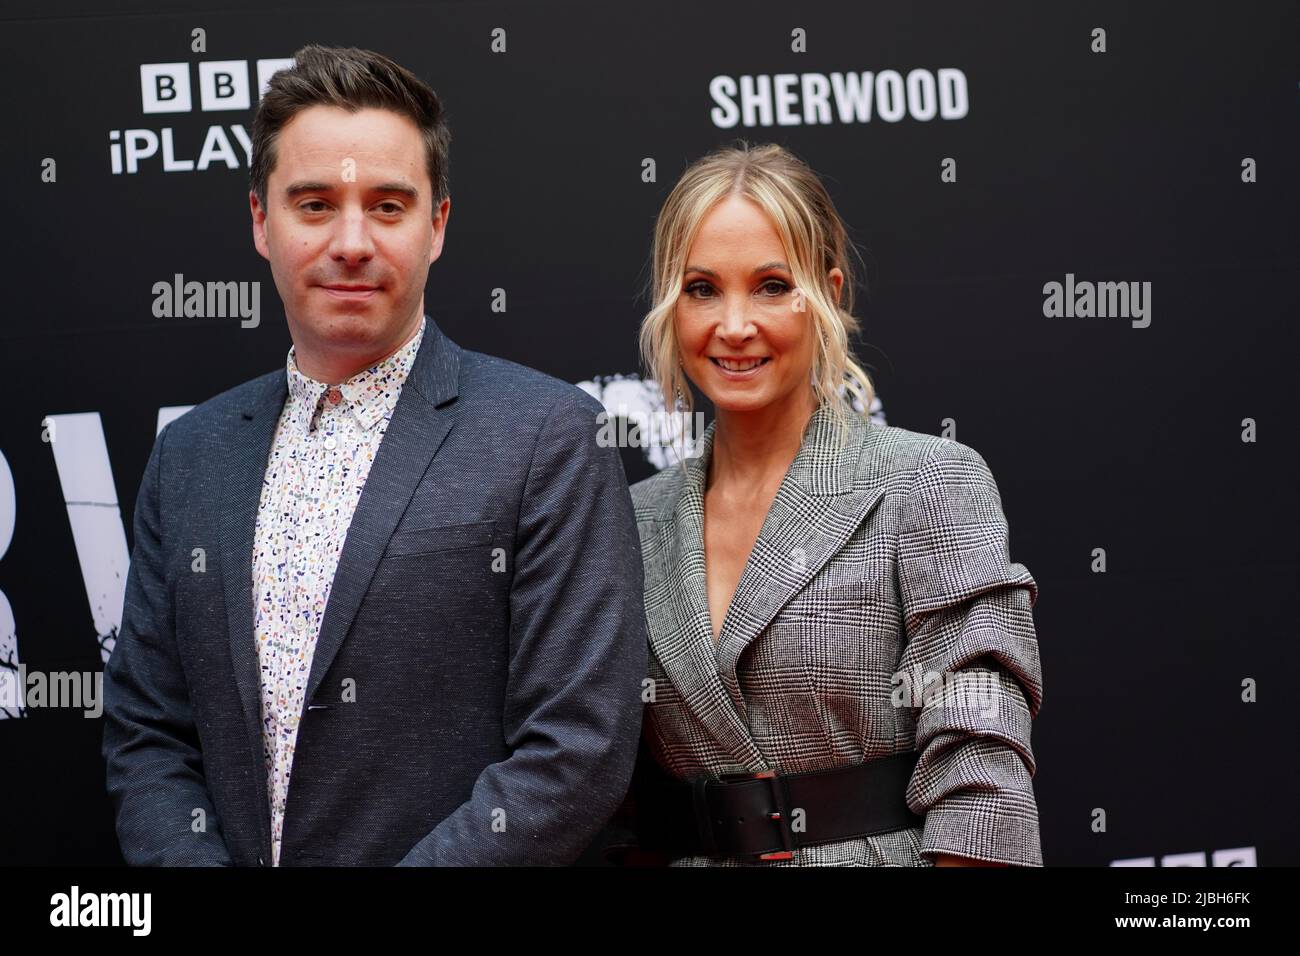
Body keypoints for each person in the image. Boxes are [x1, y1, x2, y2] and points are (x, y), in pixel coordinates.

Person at [101, 44, 647, 866]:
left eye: (388, 206)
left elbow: (575, 751)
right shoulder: (190, 456)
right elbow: (148, 734)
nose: (352, 242)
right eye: (314, 204)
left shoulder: (547, 436)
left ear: (437, 225)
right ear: (260, 221)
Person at [619, 142, 1044, 866]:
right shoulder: (629, 518)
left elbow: (980, 771)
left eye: (772, 285)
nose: (734, 324)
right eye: (702, 288)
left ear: (830, 294)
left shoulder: (927, 482)